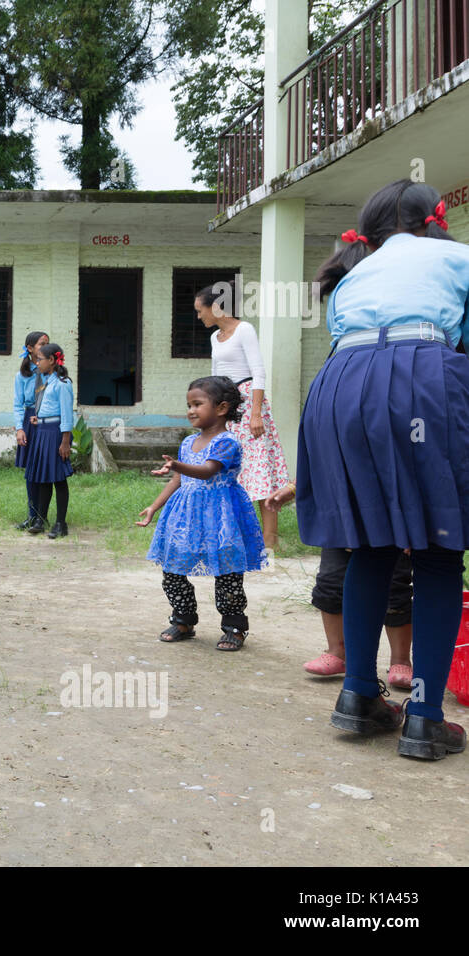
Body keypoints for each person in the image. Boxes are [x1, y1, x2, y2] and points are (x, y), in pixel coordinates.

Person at [298, 180, 469, 760]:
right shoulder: (457, 255)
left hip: (339, 391)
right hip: (424, 383)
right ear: (433, 220)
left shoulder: (349, 278)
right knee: (440, 550)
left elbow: (353, 347)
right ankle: (423, 717)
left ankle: (358, 697)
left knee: (369, 544)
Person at [136, 376, 264, 651]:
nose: (191, 410)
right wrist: (154, 507)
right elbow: (177, 481)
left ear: (221, 408)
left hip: (221, 518)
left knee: (228, 573)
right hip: (186, 518)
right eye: (189, 405)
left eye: (197, 404)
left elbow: (207, 472)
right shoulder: (188, 442)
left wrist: (178, 466)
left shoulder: (227, 442)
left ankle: (234, 627)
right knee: (172, 569)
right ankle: (183, 619)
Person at [265, 482, 413, 688]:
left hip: (390, 516)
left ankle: (401, 659)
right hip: (340, 517)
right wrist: (293, 488)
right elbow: (322, 461)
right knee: (329, 584)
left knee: (396, 589)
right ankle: (337, 652)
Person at [196, 285, 292, 550]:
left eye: (199, 310)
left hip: (250, 402)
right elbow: (214, 378)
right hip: (225, 405)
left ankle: (269, 543)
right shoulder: (215, 337)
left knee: (261, 470)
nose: (198, 316)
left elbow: (258, 372)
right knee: (230, 470)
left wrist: (256, 414)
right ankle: (234, 539)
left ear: (215, 307)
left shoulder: (245, 329)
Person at [25, 343, 74, 539]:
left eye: (40, 359)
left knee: (58, 479)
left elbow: (66, 413)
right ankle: (40, 519)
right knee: (44, 477)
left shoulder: (63, 383)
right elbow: (49, 408)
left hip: (56, 434)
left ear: (52, 360)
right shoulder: (48, 381)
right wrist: (40, 419)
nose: (37, 363)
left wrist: (65, 441)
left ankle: (61, 523)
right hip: (42, 431)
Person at [13, 330, 50, 529]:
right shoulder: (22, 375)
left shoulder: (52, 372)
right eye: (41, 344)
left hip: (47, 420)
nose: (46, 347)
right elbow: (18, 404)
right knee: (31, 471)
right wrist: (20, 428)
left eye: (48, 343)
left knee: (45, 469)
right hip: (29, 421)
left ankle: (42, 517)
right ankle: (32, 514)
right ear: (30, 348)